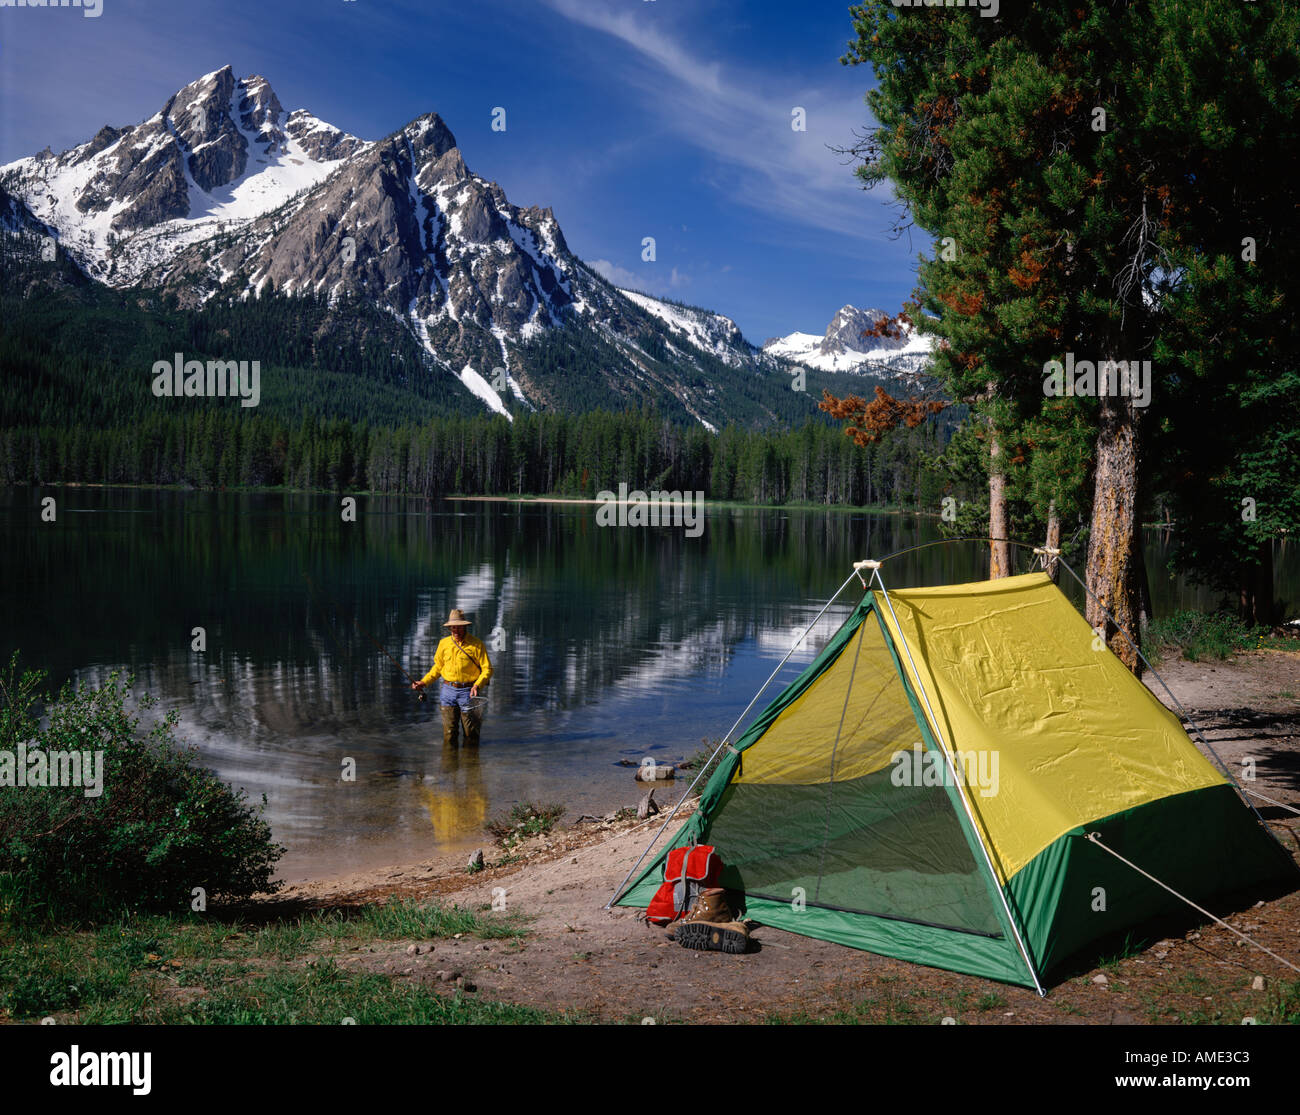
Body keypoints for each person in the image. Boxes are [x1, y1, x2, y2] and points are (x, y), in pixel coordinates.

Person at [412, 608, 492, 747]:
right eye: (453, 627)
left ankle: (471, 766)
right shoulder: (444, 644)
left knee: (471, 735)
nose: (456, 631)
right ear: (449, 628)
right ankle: (450, 766)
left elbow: (487, 669)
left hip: (469, 692)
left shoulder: (477, 644)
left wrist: (477, 685)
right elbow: (437, 668)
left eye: (459, 627)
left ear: (465, 626)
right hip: (447, 691)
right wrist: (424, 682)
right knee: (449, 736)